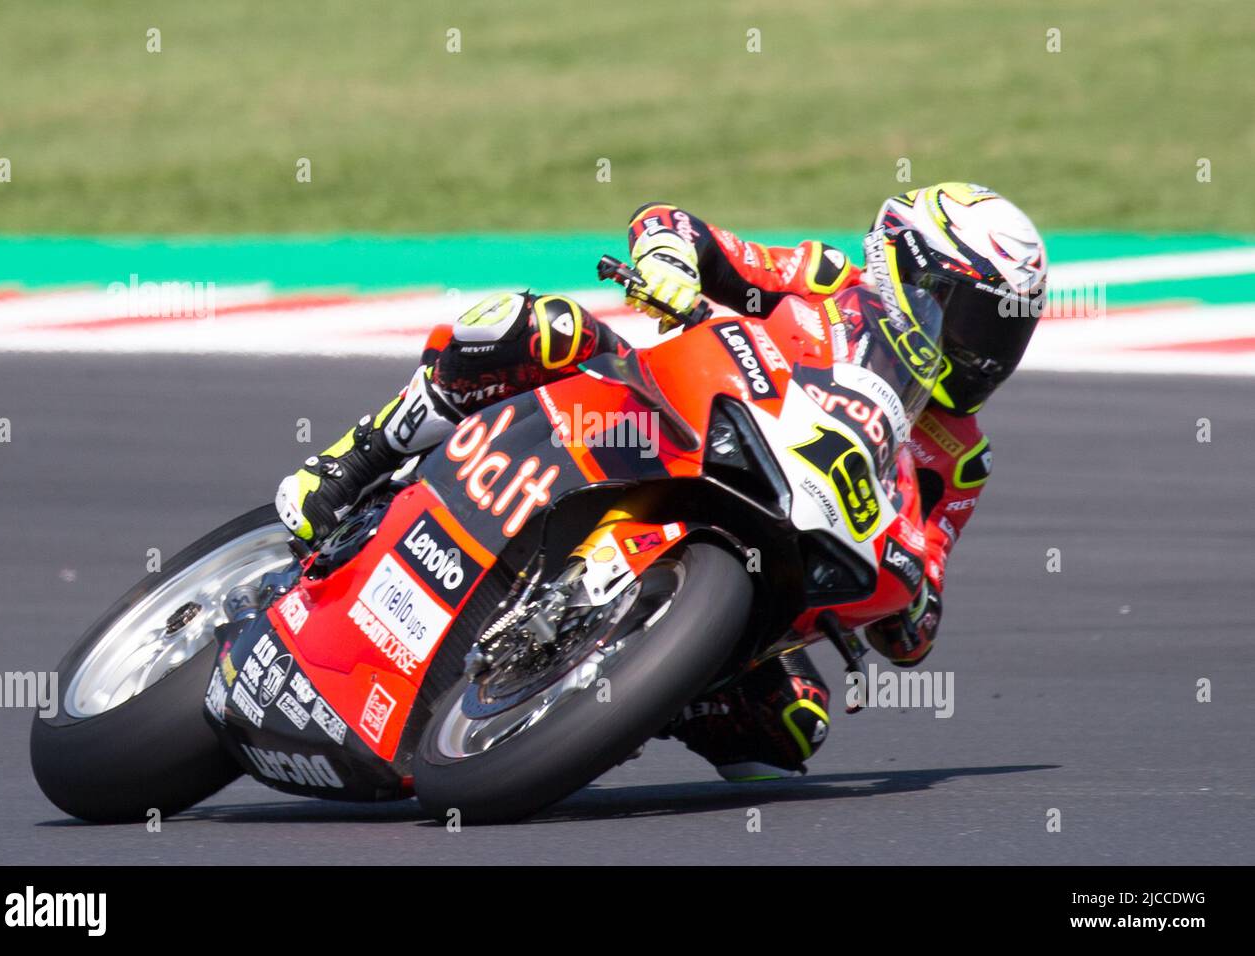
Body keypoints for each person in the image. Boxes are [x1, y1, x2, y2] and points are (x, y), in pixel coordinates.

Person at [275, 182, 1047, 782]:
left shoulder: (958, 458)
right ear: (908, 271)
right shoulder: (821, 280)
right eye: (976, 320)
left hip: (772, 543)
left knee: (788, 729)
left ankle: (616, 680)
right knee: (536, 325)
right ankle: (360, 457)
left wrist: (913, 608)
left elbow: (927, 573)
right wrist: (672, 270)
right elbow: (676, 224)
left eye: (1006, 331)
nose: (986, 351)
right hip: (664, 426)